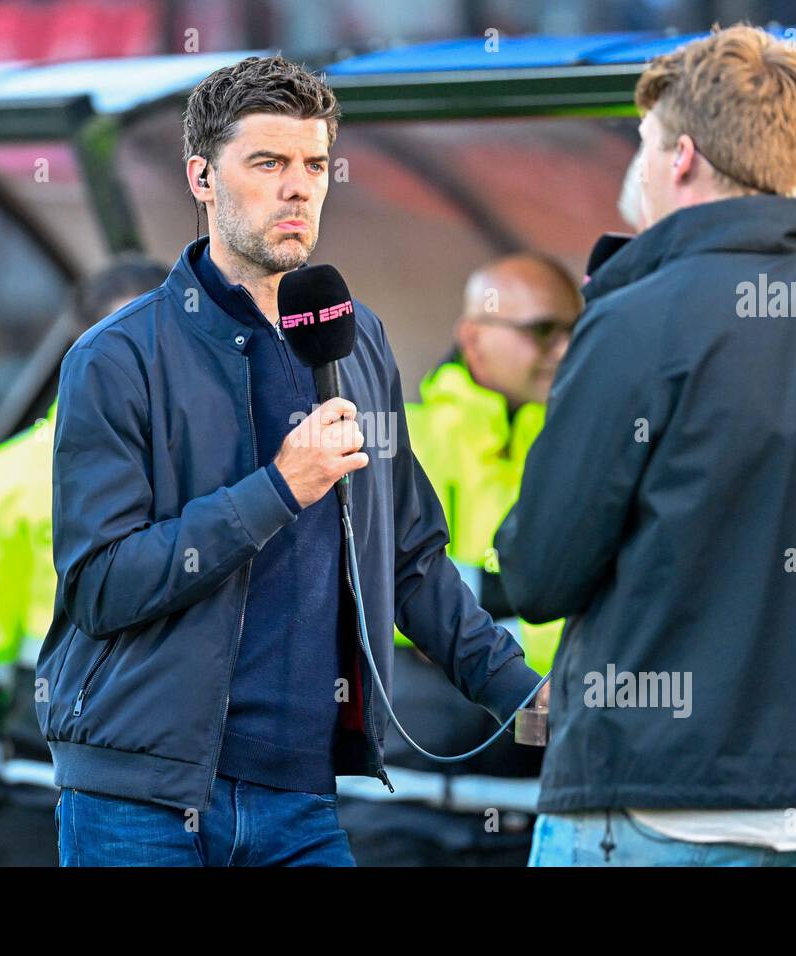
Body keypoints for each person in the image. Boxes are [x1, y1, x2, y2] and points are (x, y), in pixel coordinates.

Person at [496, 24, 796, 867]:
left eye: (647, 146)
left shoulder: (632, 320)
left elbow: (539, 572)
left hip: (646, 812)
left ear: (682, 157)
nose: (642, 167)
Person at [38, 54, 543, 867]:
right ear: (202, 177)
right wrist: (277, 490)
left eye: (314, 165)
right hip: (139, 801)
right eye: (267, 163)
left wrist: (525, 697)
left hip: (301, 799)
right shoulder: (116, 358)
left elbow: (409, 561)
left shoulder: (355, 339)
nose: (298, 187)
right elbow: (101, 585)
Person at [0, 254, 167, 866]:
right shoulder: (3, 481)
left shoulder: (227, 476)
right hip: (39, 807)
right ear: (77, 356)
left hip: (188, 809)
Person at [336, 253, 577, 865]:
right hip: (403, 801)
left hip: (533, 779)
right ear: (474, 338)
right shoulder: (403, 439)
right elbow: (376, 593)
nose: (564, 347)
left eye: (578, 328)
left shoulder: (578, 451)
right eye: (543, 330)